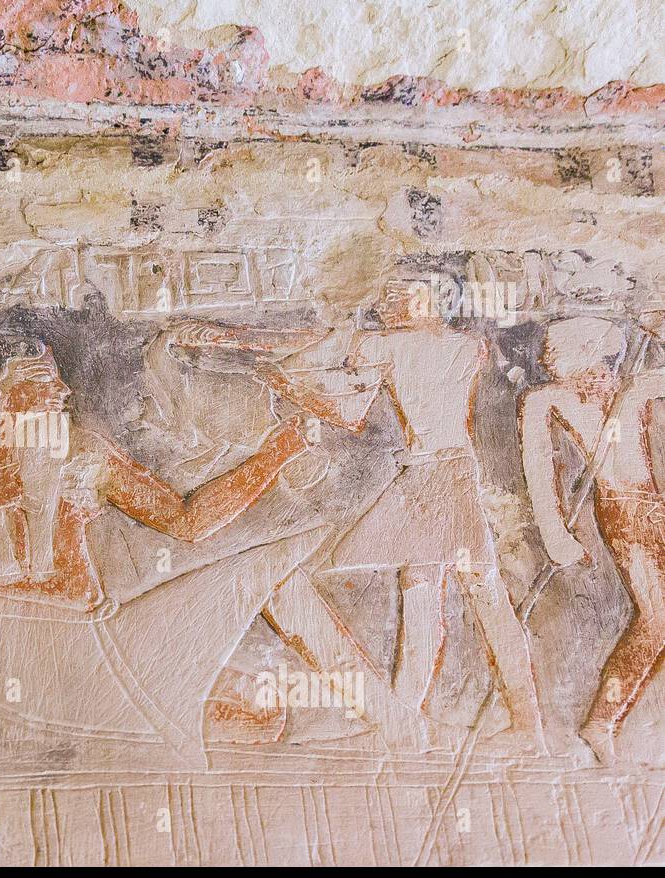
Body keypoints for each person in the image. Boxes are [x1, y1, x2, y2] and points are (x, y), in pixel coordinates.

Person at [0, 330, 314, 766]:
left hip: (94, 630)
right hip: (10, 648)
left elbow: (186, 521)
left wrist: (273, 456)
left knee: (266, 706)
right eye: (42, 378)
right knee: (249, 717)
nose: (63, 390)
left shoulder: (79, 448)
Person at [257, 279, 544, 745]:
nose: (386, 304)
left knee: (464, 595)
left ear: (429, 298)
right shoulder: (467, 344)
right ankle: (416, 717)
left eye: (397, 295)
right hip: (447, 470)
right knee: (440, 596)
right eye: (384, 296)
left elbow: (344, 408)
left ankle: (514, 723)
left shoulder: (388, 345)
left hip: (436, 478)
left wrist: (284, 381)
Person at [521, 316, 665, 760]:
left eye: (554, 351)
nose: (546, 359)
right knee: (656, 620)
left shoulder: (633, 385)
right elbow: (539, 471)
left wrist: (658, 332)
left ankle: (606, 721)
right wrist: (554, 533)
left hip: (655, 507)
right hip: (623, 511)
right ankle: (601, 721)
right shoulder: (546, 399)